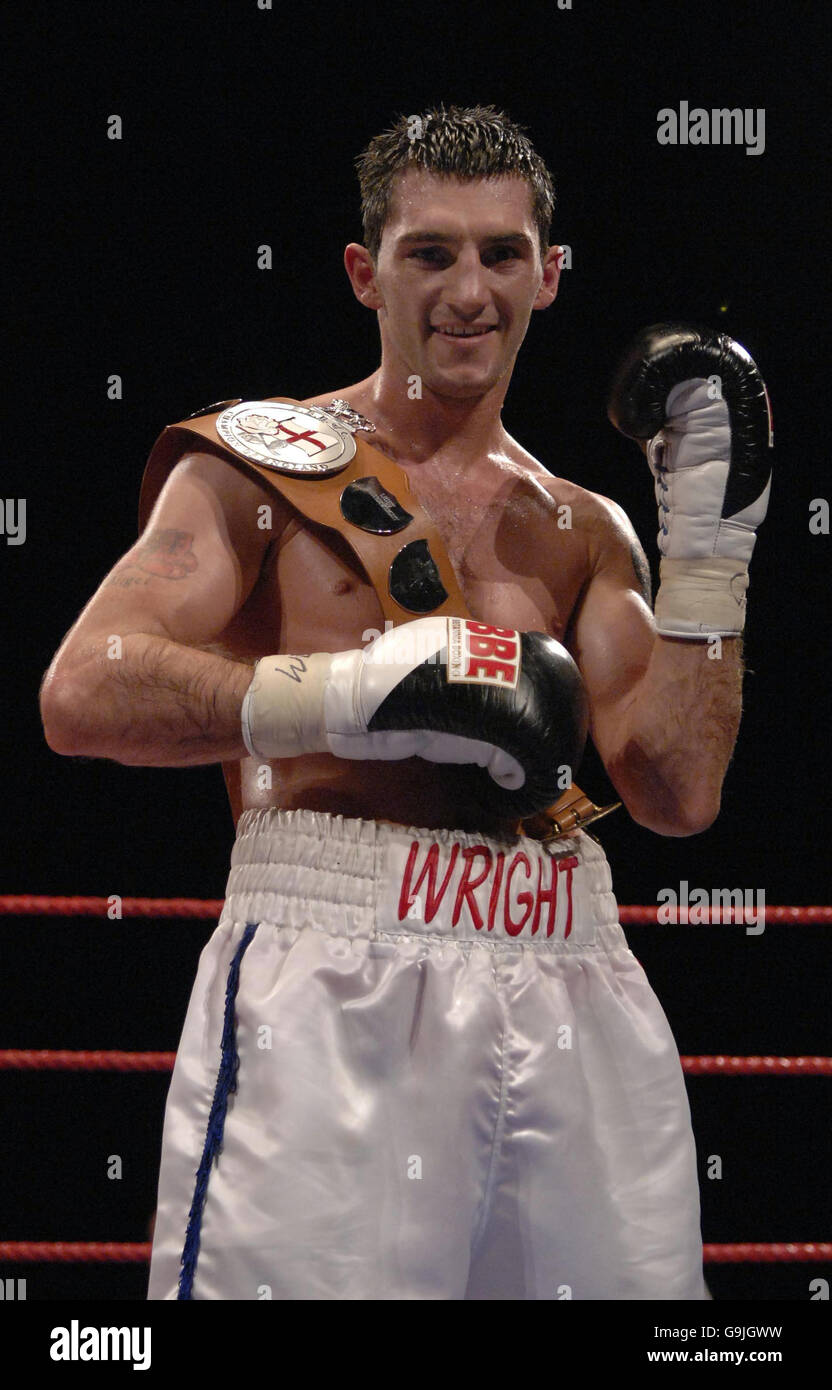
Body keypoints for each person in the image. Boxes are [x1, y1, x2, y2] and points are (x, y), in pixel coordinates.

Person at [39, 103, 771, 1300]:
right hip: (335, 979)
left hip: (571, 972)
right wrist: (342, 697)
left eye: (501, 254)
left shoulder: (587, 530)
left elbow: (678, 791)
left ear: (549, 275)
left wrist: (709, 553)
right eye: (429, 251)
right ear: (362, 270)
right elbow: (83, 689)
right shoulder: (257, 469)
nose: (466, 290)